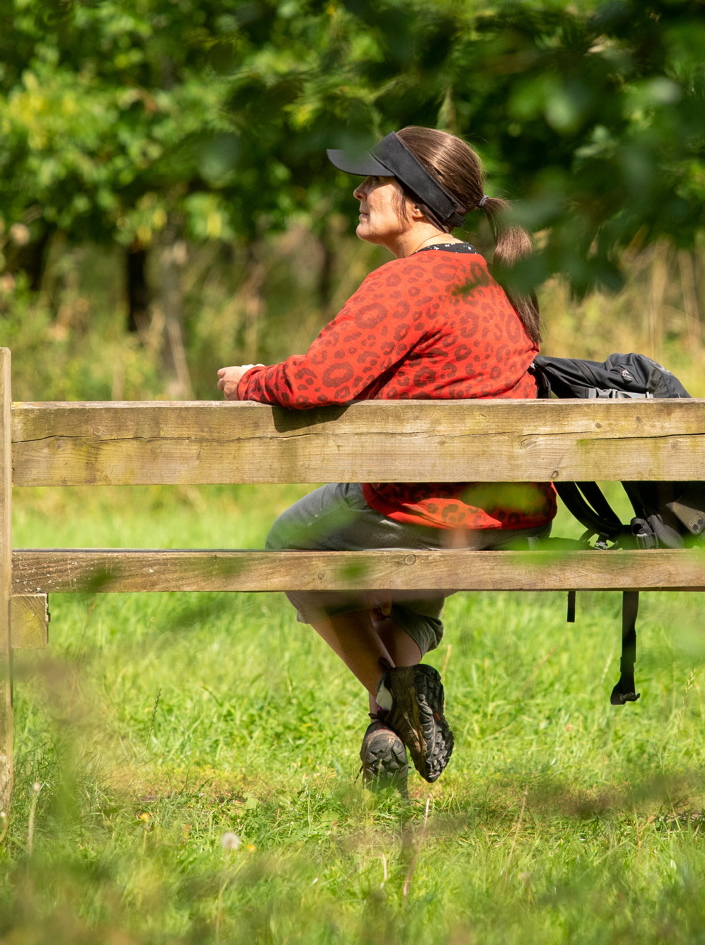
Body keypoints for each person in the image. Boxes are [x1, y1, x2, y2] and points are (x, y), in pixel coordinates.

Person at [215, 127, 550, 787]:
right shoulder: (496, 281)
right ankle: (391, 722)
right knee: (405, 594)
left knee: (291, 543)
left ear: (419, 202)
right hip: (508, 516)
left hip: (422, 504)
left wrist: (251, 379)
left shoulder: (410, 283)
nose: (359, 191)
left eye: (374, 180)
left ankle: (390, 699)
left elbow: (316, 381)